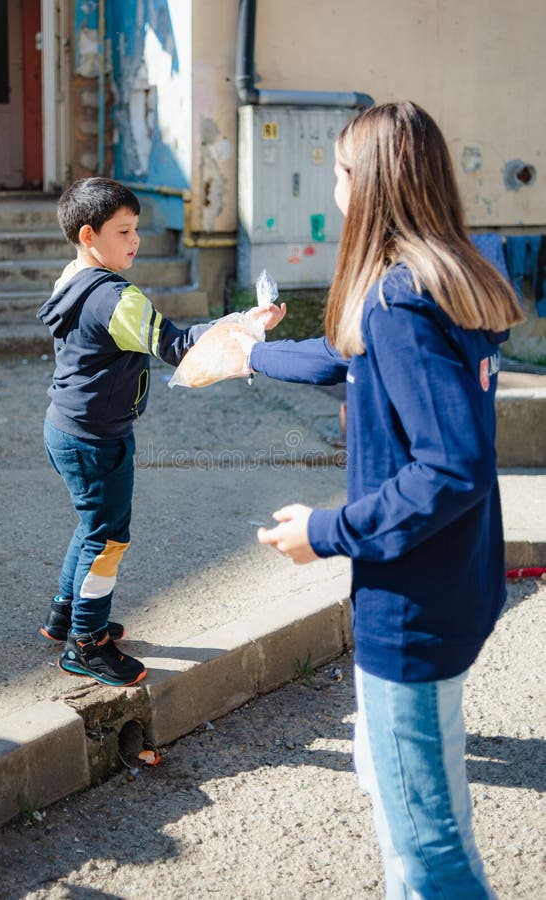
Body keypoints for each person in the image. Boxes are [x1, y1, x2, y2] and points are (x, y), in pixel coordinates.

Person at [250, 101, 524, 897]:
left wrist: (325, 530)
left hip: (410, 605)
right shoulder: (449, 278)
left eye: (338, 171)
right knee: (403, 800)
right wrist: (247, 353)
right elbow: (346, 355)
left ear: (367, 184)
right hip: (452, 585)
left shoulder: (397, 301)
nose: (331, 185)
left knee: (429, 858)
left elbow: (451, 467)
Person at [37, 177, 284, 688]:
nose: (135, 240)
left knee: (92, 526)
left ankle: (66, 615)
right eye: (124, 230)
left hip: (66, 426)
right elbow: (178, 347)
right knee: (107, 538)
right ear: (89, 235)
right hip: (98, 438)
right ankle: (86, 643)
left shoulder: (72, 277)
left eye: (136, 229)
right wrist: (248, 327)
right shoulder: (119, 300)